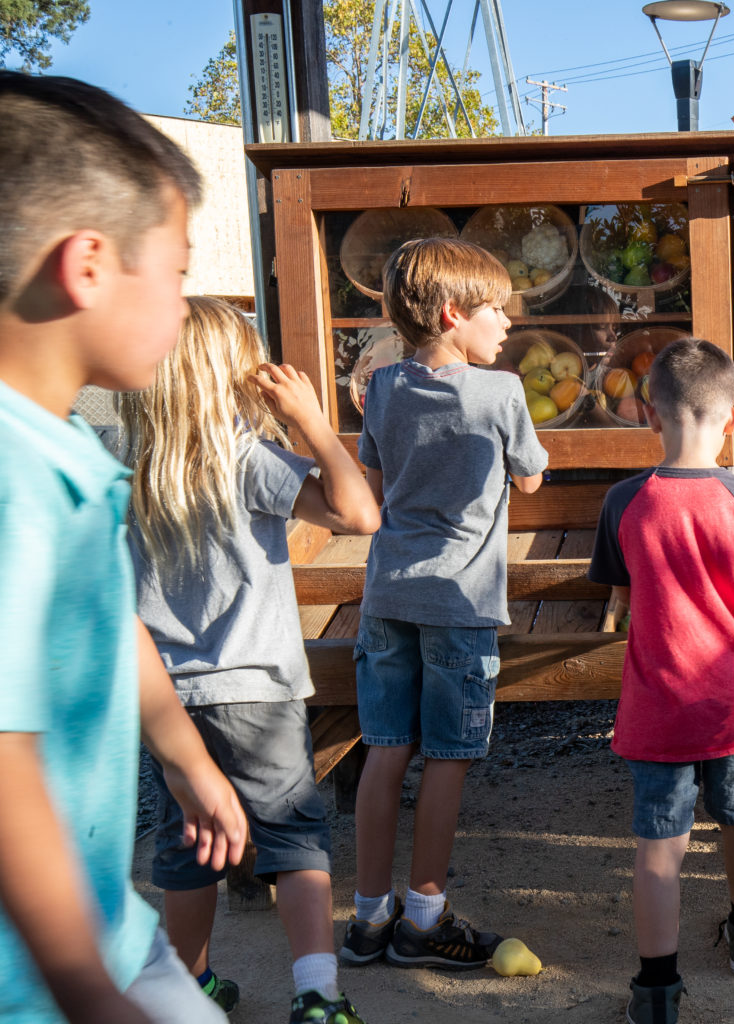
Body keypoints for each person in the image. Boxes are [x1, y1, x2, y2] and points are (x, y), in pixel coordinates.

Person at [0, 72, 249, 1024]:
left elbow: (111, 622)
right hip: (41, 979)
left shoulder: (64, 446)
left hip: (109, 926)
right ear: (89, 265)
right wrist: (87, 996)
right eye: (179, 272)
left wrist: (185, 758)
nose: (185, 306)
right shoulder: (14, 478)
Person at [120, 297, 381, 1022]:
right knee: (294, 841)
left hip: (164, 698)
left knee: (189, 844)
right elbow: (360, 513)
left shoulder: (137, 473)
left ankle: (185, 988)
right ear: (233, 377)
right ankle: (320, 995)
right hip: (258, 692)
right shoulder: (248, 458)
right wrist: (316, 423)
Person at [344, 236, 548, 971]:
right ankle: (424, 919)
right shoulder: (502, 393)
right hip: (459, 605)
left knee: (384, 753)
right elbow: (529, 480)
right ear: (455, 313)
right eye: (495, 309)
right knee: (449, 759)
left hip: (387, 596)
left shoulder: (385, 387)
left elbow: (372, 480)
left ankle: (367, 920)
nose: (506, 323)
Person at [587, 338, 734, 1024]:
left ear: (651, 415)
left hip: (656, 704)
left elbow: (623, 592)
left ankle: (656, 989)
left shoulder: (624, 501)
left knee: (660, 843)